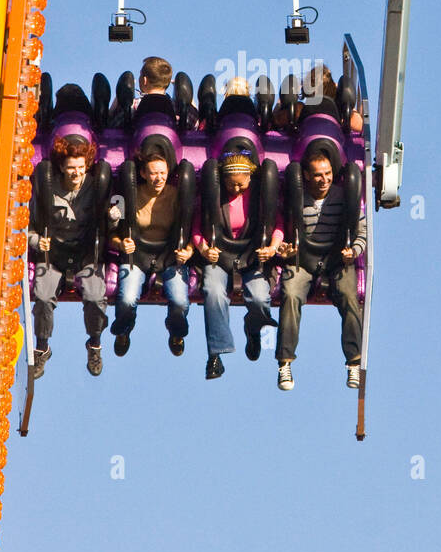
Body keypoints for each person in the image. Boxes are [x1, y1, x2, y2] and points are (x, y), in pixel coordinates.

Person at [274, 146, 365, 391]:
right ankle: (285, 362)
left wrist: (353, 251)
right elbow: (281, 229)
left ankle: (354, 361)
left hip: (337, 259)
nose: (324, 180)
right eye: (317, 175)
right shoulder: (297, 199)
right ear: (306, 175)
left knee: (348, 295)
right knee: (291, 294)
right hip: (303, 260)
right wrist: (284, 249)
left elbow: (362, 231)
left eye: (328, 174)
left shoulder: (343, 197)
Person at [193, 152, 283, 380]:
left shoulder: (259, 198)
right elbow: (196, 225)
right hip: (220, 256)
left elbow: (278, 223)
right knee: (213, 291)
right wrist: (204, 249)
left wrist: (272, 247)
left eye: (241, 185)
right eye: (231, 185)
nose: (236, 189)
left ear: (250, 178)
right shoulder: (214, 197)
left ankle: (253, 329)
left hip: (251, 255)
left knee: (260, 298)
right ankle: (216, 353)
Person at [28, 135, 111, 378]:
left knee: (95, 296)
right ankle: (42, 348)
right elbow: (27, 228)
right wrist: (37, 241)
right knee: (43, 297)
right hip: (53, 254)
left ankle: (94, 344)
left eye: (81, 168)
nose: (76, 173)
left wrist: (114, 217)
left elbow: (112, 219)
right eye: (71, 168)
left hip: (85, 254)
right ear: (62, 168)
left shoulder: (95, 188)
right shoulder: (48, 189)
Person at [111, 147, 193, 356]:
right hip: (137, 255)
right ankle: (124, 330)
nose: (159, 178)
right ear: (143, 174)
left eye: (163, 173)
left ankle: (176, 332)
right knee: (127, 299)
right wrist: (121, 244)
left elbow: (192, 229)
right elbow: (110, 233)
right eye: (154, 173)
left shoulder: (175, 195)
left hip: (169, 255)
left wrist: (189, 251)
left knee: (180, 301)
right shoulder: (131, 195)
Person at [272, 65, 363, 132]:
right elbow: (361, 126)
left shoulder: (298, 111)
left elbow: (274, 122)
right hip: (333, 147)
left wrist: (282, 102)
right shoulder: (342, 116)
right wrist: (345, 98)